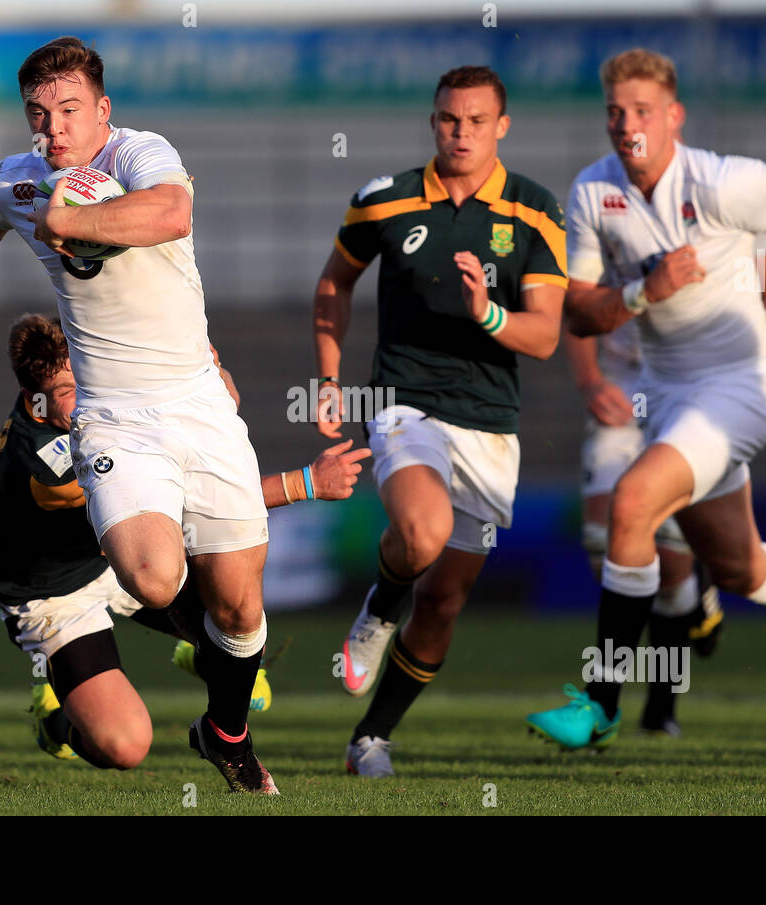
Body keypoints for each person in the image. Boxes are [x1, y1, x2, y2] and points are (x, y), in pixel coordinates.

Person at [0, 36, 278, 792]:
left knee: (239, 606)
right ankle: (79, 683)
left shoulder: (139, 156)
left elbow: (171, 212)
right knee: (156, 577)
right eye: (40, 114)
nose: (55, 127)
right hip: (114, 414)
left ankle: (224, 734)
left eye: (69, 110)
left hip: (198, 399)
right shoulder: (24, 181)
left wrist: (76, 223)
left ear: (102, 111)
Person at [525, 48, 766, 751]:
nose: (626, 125)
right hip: (668, 399)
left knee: (633, 505)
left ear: (673, 117)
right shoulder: (591, 192)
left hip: (742, 387)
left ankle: (602, 703)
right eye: (615, 111)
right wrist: (645, 290)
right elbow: (577, 313)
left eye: (641, 112)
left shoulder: (725, 181)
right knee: (739, 567)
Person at [312, 66, 566, 776]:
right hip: (405, 403)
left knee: (447, 601)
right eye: (450, 120)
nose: (462, 133)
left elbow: (544, 336)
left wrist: (487, 311)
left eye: (477, 121)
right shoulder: (384, 200)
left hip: (489, 421)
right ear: (433, 122)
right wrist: (330, 377)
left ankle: (371, 739)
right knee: (419, 535)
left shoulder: (537, 211)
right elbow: (335, 280)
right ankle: (379, 607)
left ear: (501, 126)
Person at [0, 314, 369, 761]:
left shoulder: (98, 396)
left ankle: (203, 656)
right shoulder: (48, 467)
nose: (84, 395)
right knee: (125, 747)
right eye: (68, 393)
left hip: (111, 555)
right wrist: (305, 483)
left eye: (84, 377)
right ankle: (55, 723)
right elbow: (190, 498)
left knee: (239, 623)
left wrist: (209, 373)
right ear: (35, 403)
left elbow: (217, 410)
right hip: (53, 595)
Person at [564, 233, 766, 736]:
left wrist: (740, 362)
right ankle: (695, 595)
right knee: (605, 547)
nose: (632, 149)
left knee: (669, 561)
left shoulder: (733, 201)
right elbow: (575, 304)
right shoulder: (606, 200)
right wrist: (590, 382)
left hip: (694, 390)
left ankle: (658, 709)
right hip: (625, 388)